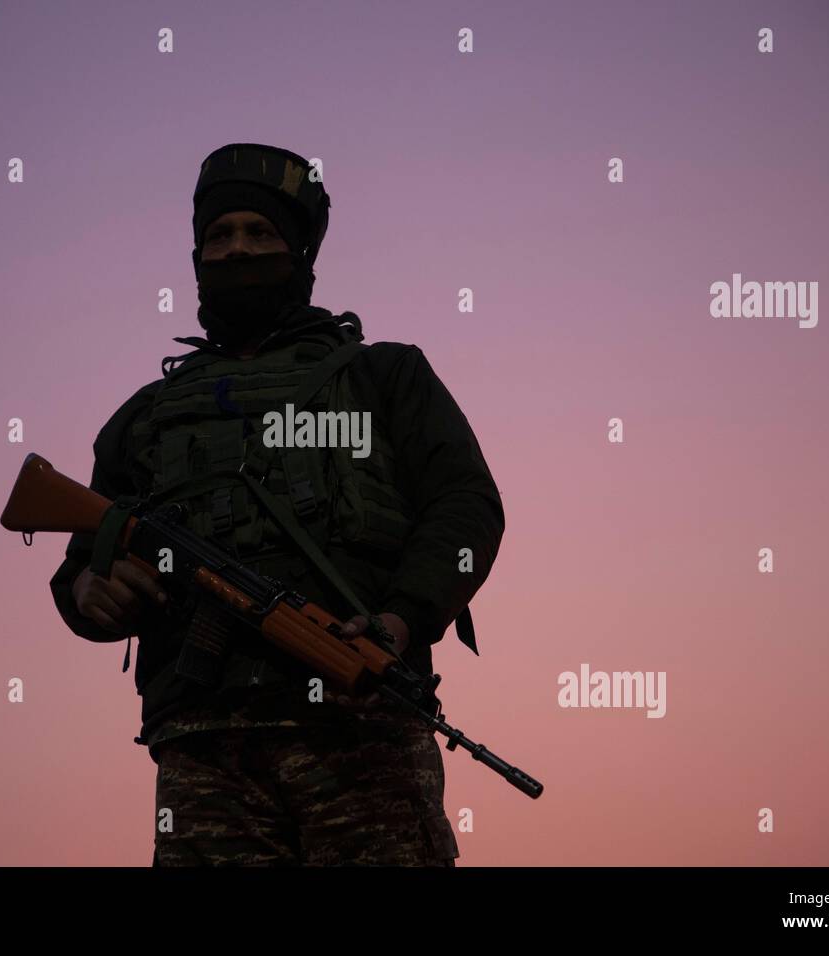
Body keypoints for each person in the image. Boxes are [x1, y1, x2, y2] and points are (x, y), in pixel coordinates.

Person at [48, 143, 504, 866]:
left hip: (362, 733)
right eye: (219, 235)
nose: (237, 251)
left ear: (299, 250)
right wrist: (91, 590)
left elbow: (467, 510)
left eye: (260, 233)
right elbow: (82, 559)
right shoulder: (147, 417)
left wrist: (400, 617)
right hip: (204, 753)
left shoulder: (384, 377)